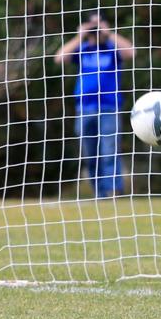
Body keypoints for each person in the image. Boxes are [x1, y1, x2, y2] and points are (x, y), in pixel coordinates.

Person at [55, 11, 135, 198]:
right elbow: (59, 58)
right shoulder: (82, 49)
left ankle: (113, 190)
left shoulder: (111, 47)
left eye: (98, 25)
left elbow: (131, 52)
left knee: (109, 151)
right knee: (90, 154)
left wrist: (109, 33)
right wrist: (80, 35)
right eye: (93, 25)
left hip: (109, 106)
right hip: (85, 107)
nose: (96, 29)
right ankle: (100, 193)